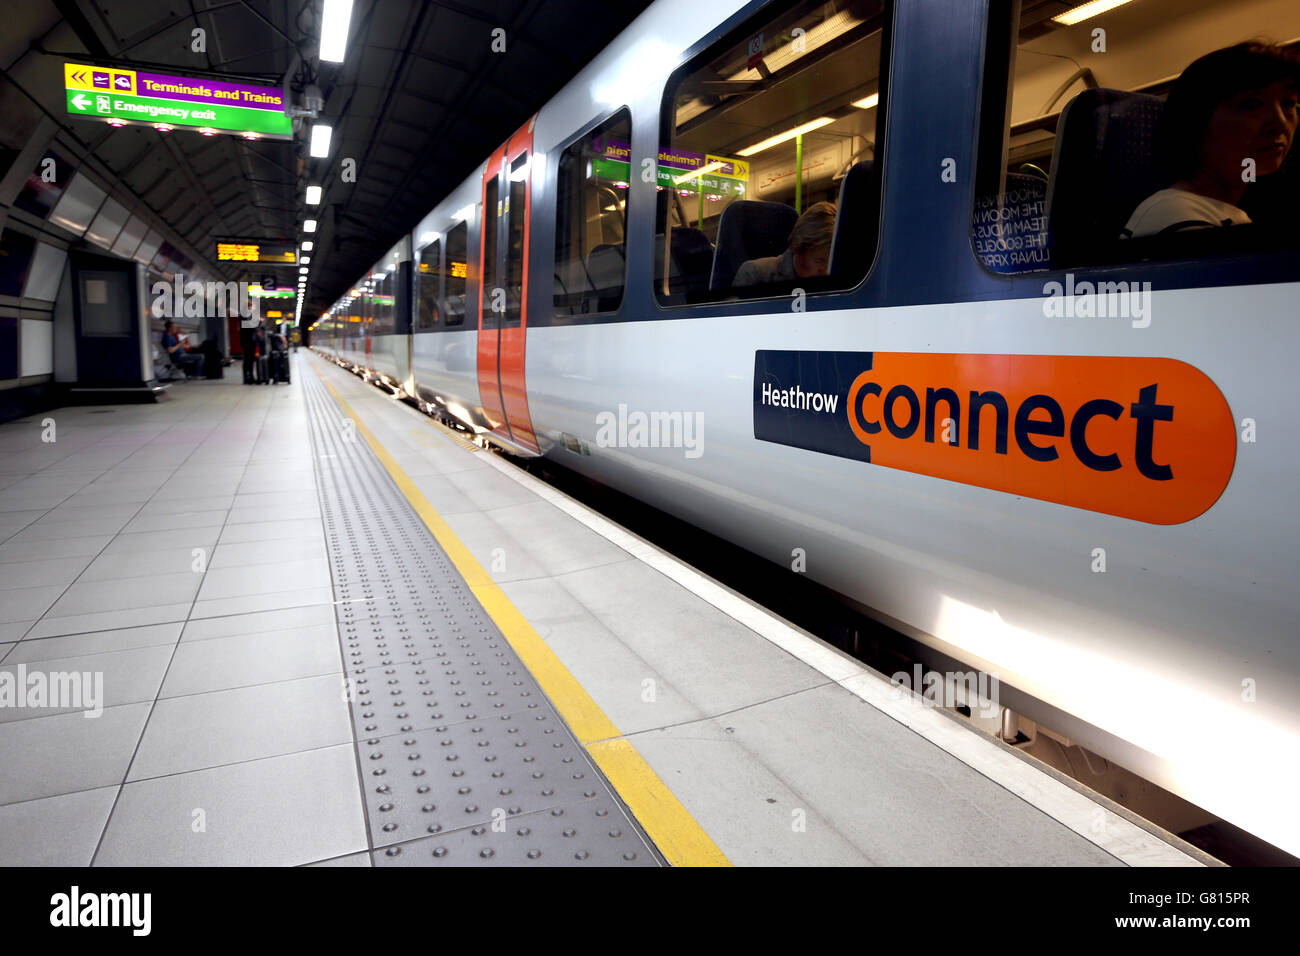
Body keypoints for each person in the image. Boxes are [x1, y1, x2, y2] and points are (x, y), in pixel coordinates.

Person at [1123, 43, 1299, 239]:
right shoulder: (1175, 216)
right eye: (1251, 104)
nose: (1280, 121)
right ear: (1194, 124)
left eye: (1288, 103)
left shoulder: (1226, 211)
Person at [734, 201, 837, 286]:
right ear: (798, 248)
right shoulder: (754, 274)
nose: (826, 271)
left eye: (830, 263)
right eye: (819, 261)